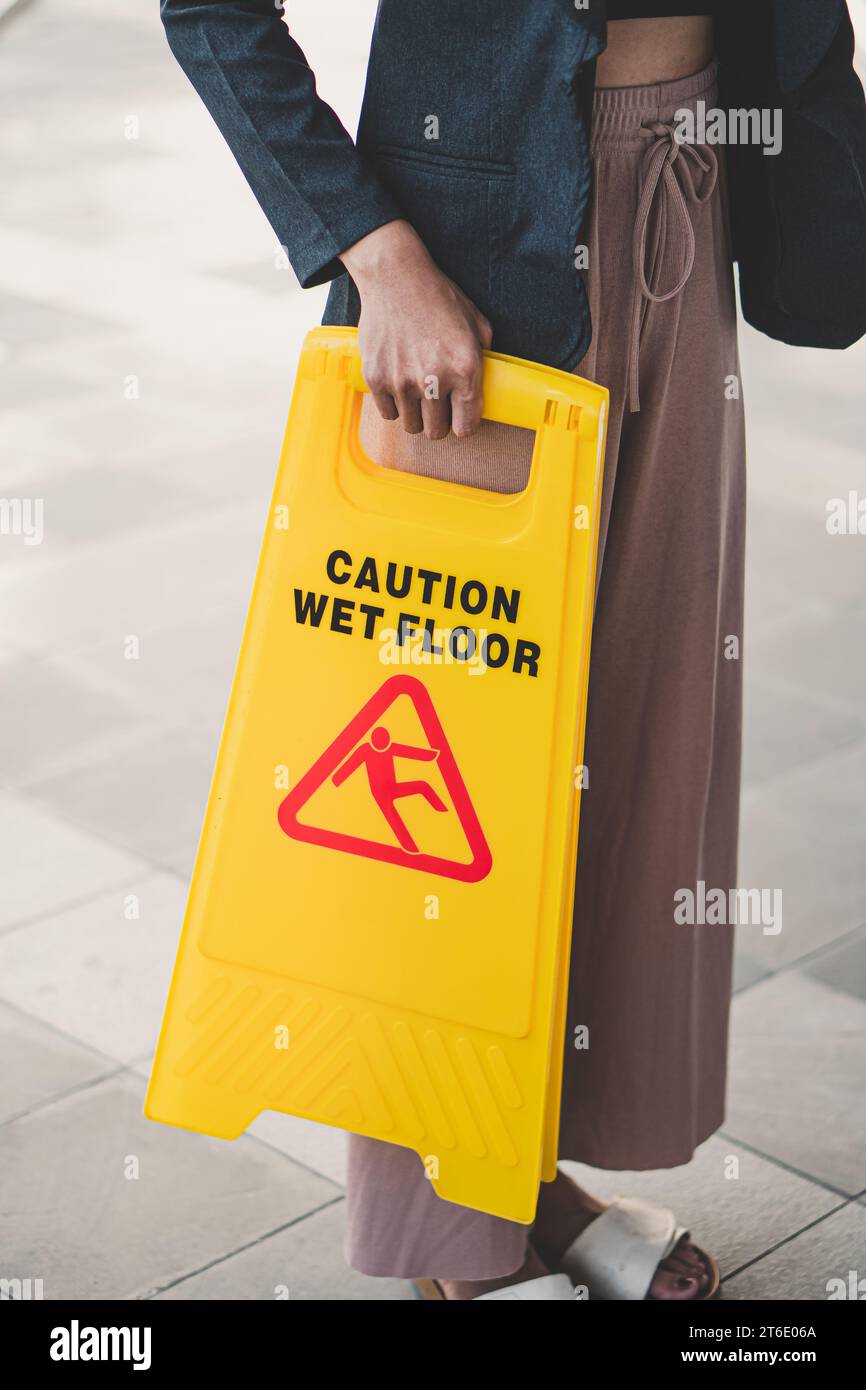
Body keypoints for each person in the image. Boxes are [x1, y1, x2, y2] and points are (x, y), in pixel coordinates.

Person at [158, 0, 866, 1299]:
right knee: (445, 792)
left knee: (633, 743)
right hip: (463, 273)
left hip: (692, 189)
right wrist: (373, 255)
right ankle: (449, 1247)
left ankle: (519, 1180)